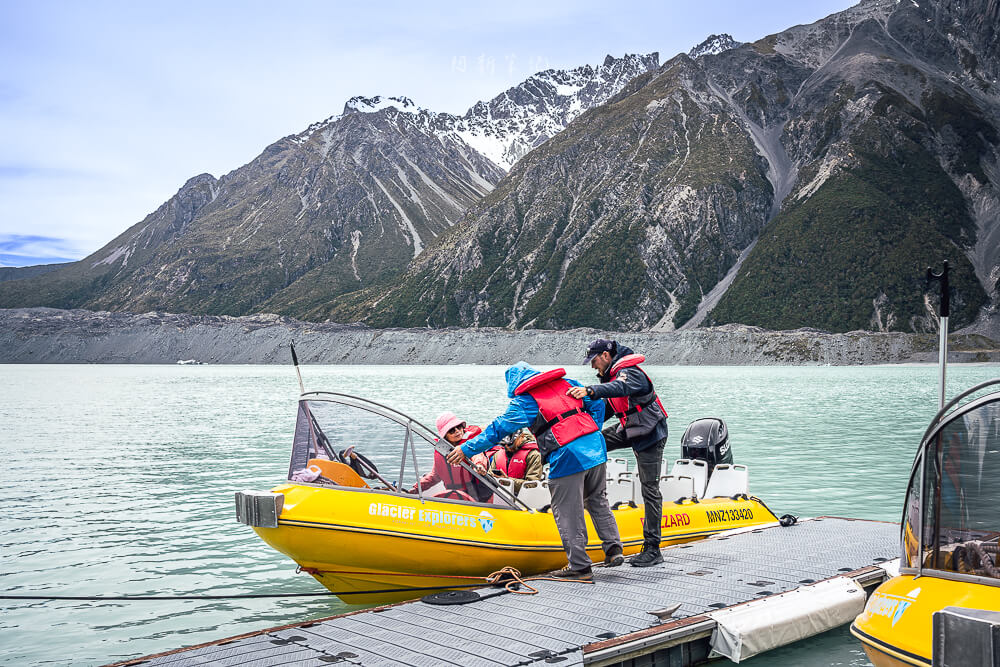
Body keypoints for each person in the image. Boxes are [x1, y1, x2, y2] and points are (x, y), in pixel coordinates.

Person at [447, 362, 624, 580]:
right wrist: (591, 428)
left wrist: (466, 448)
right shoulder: (567, 383)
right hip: (596, 447)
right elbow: (596, 402)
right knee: (597, 498)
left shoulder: (525, 401)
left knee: (567, 510)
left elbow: (497, 429)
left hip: (568, 454)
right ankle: (614, 549)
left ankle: (580, 567)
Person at [567, 339, 668, 567]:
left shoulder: (628, 373)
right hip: (631, 428)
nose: (593, 367)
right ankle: (589, 491)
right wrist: (582, 427)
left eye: (594, 361)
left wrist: (590, 391)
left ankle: (653, 548)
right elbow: (613, 407)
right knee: (595, 441)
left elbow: (620, 388)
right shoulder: (613, 374)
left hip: (651, 434)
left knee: (649, 489)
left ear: (605, 355)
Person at [412, 412, 493, 502]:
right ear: (445, 435)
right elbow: (435, 476)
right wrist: (415, 489)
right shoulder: (442, 451)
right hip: (456, 496)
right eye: (451, 430)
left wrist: (479, 465)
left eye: (458, 427)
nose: (457, 431)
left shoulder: (471, 444)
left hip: (482, 497)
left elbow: (478, 455)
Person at [487, 428, 543, 494]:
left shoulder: (534, 455)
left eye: (511, 444)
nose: (508, 447)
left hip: (522, 499)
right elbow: (490, 476)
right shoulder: (498, 454)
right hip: (500, 496)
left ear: (522, 436)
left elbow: (532, 485)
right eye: (505, 444)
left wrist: (507, 481)